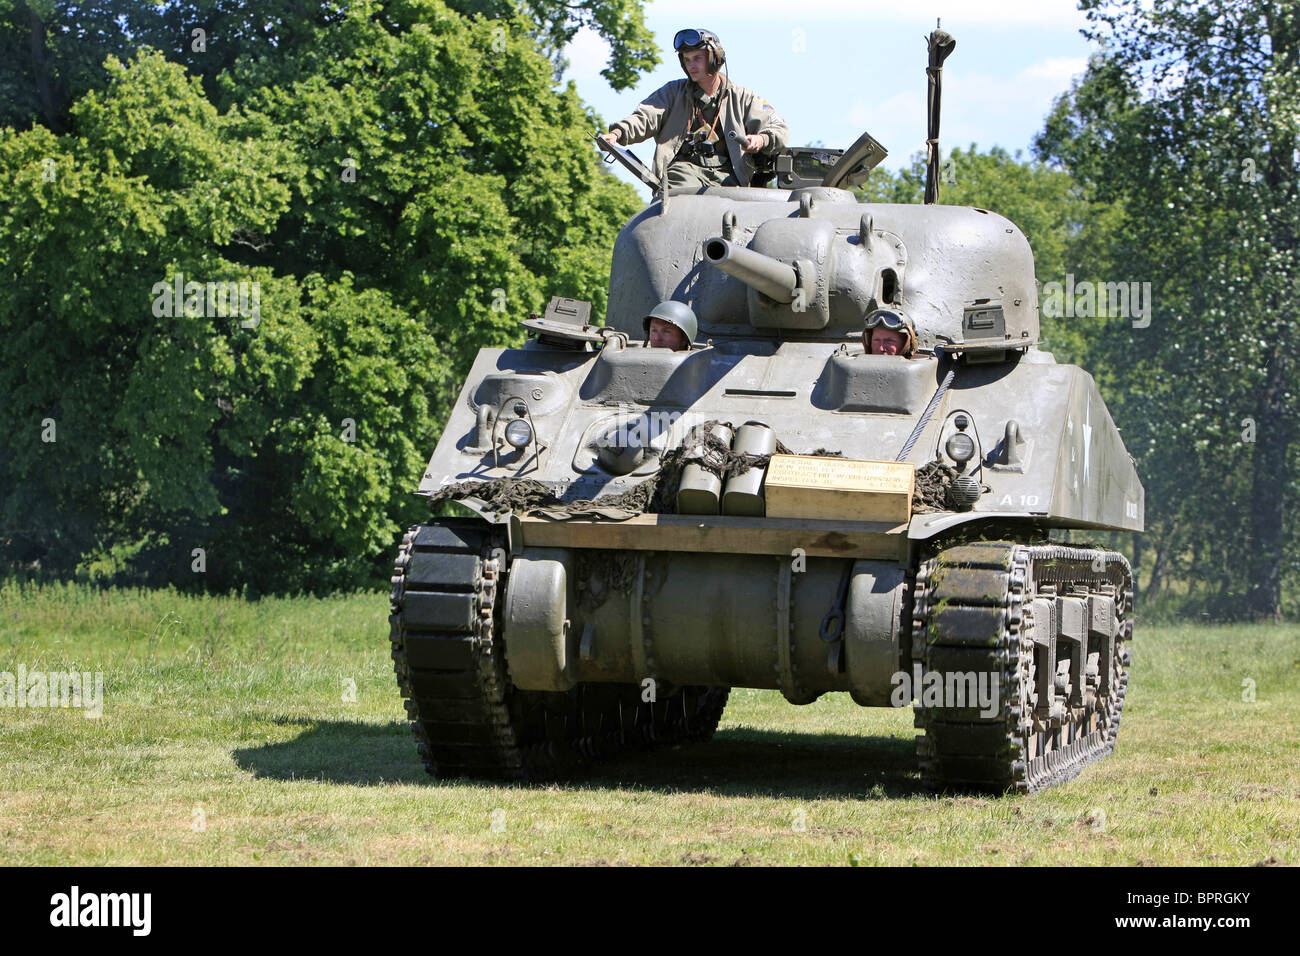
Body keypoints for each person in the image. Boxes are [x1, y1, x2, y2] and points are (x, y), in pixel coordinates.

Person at [598, 28, 788, 190]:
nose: (691, 65)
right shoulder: (673, 93)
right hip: (684, 172)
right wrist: (617, 133)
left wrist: (760, 139)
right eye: (687, 59)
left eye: (697, 58)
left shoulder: (743, 98)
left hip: (731, 178)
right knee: (676, 193)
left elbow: (779, 129)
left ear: (715, 59)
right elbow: (645, 117)